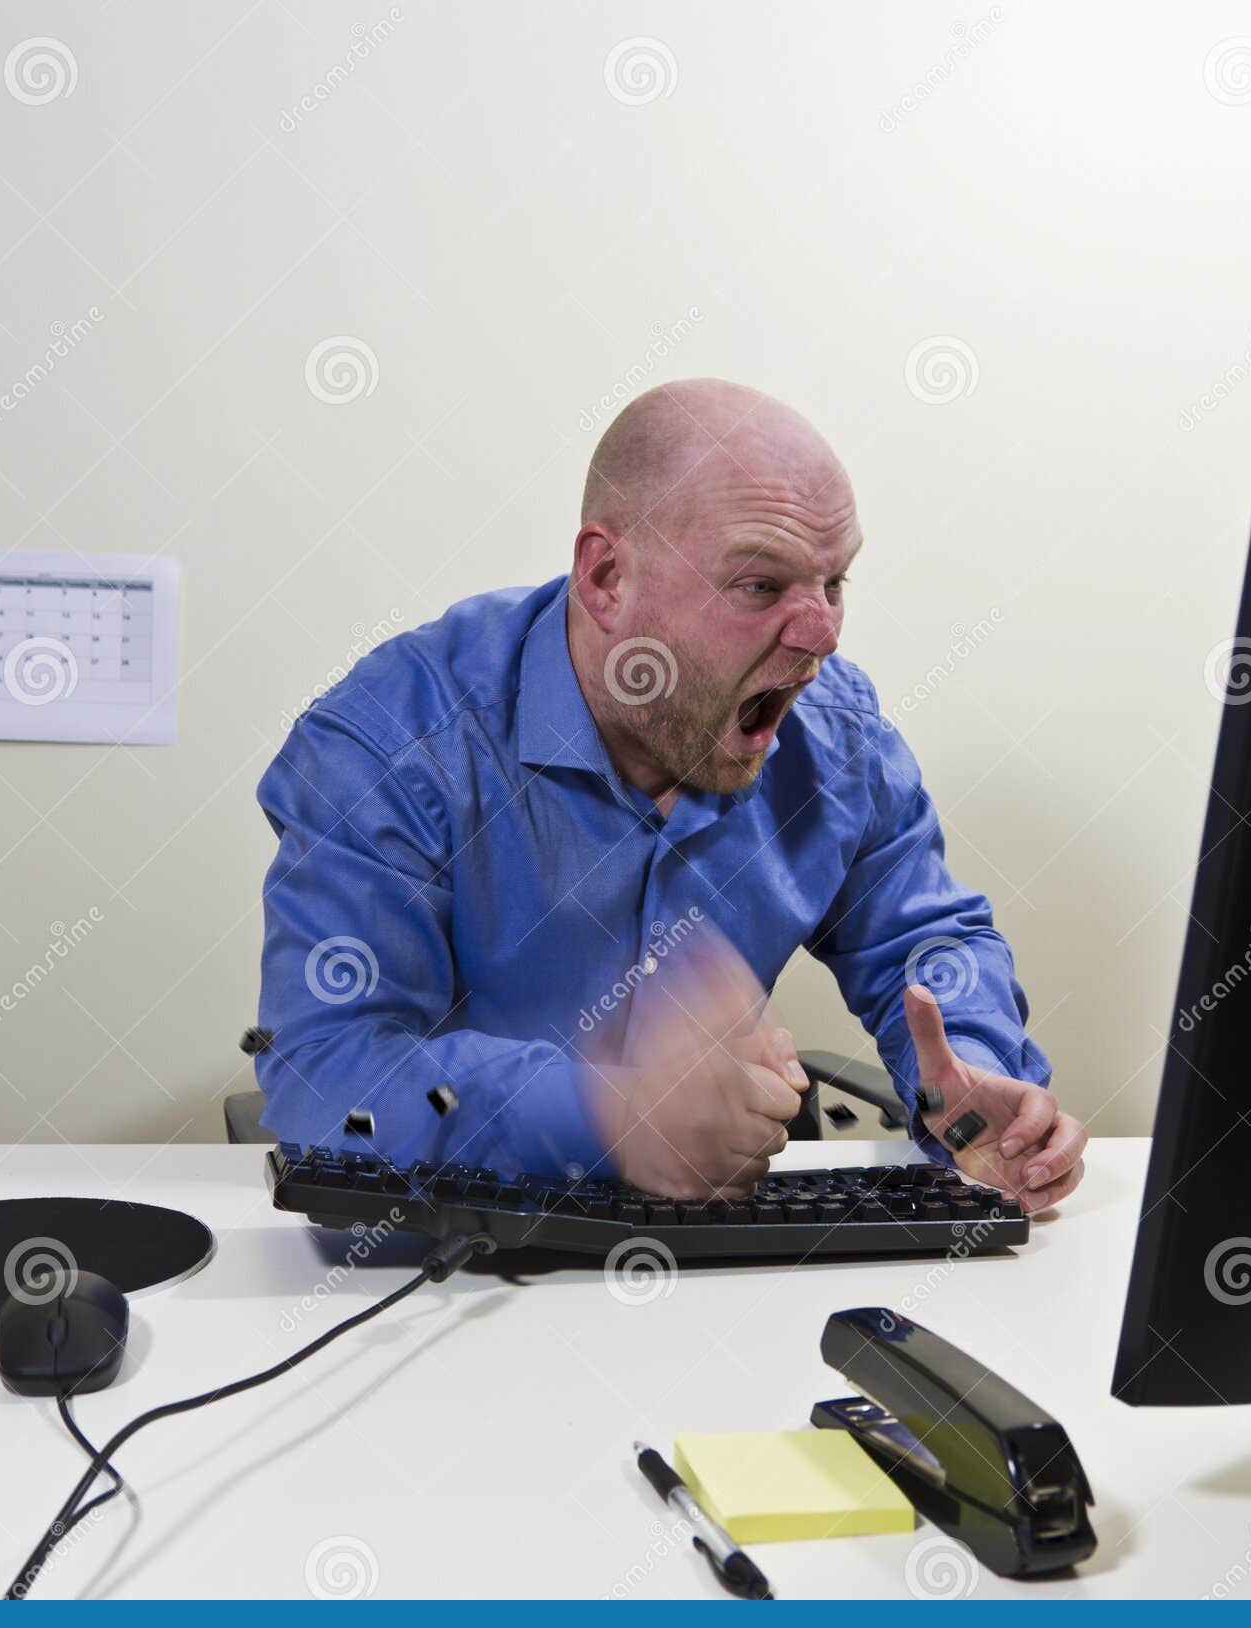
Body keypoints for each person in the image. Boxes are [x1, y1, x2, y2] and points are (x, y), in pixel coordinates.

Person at [253, 378, 1085, 1212]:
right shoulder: (393, 746)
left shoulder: (836, 736)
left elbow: (926, 938)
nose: (824, 635)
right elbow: (329, 1078)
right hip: (450, 1269)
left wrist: (970, 1083)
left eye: (834, 583)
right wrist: (602, 1113)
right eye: (762, 585)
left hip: (717, 1270)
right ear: (608, 576)